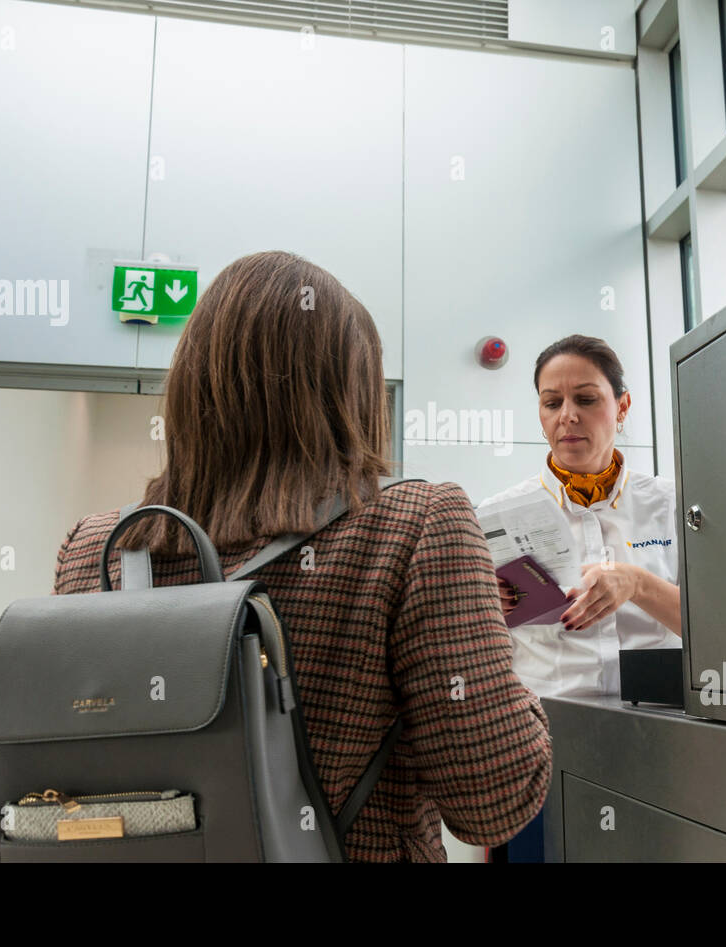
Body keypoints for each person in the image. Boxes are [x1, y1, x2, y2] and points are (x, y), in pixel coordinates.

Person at [50, 250, 552, 862]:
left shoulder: (94, 549)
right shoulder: (417, 523)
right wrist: (488, 642)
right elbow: (492, 801)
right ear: (354, 396)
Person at [480, 334, 682, 700]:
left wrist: (638, 584)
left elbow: (720, 633)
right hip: (546, 723)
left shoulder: (673, 505)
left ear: (622, 407)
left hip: (660, 717)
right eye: (552, 403)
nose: (567, 416)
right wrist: (481, 605)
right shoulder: (497, 515)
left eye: (586, 400)